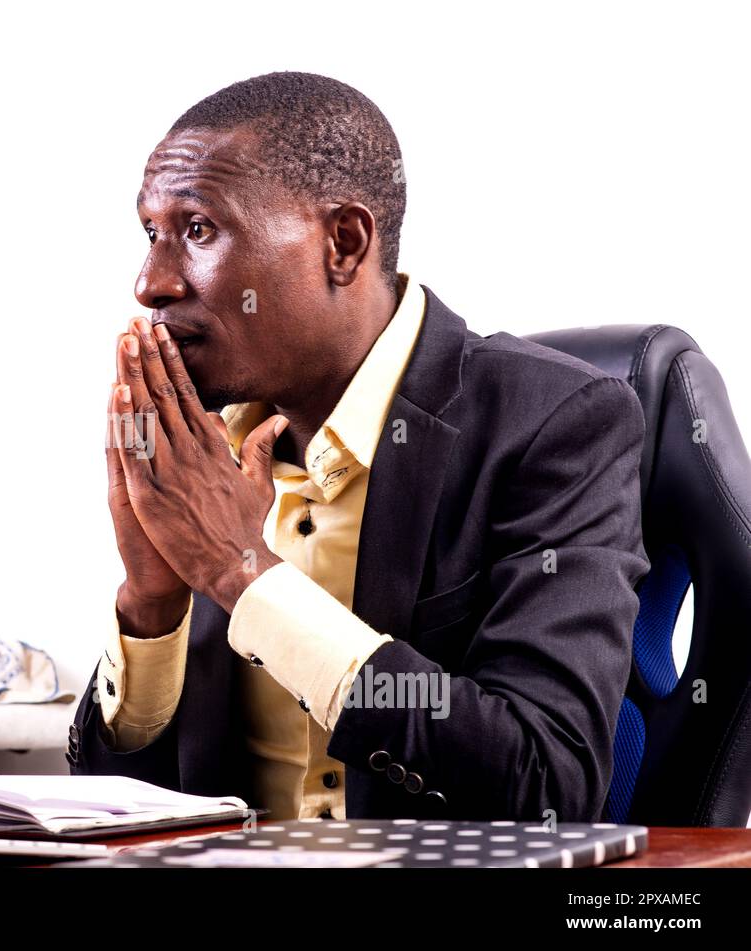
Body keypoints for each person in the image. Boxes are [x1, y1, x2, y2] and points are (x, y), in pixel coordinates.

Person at [67, 71, 650, 823]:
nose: (150, 281)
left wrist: (242, 572)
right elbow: (123, 818)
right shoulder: (203, 461)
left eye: (200, 229)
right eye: (153, 233)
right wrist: (152, 607)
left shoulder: (557, 424)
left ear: (342, 243)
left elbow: (546, 782)